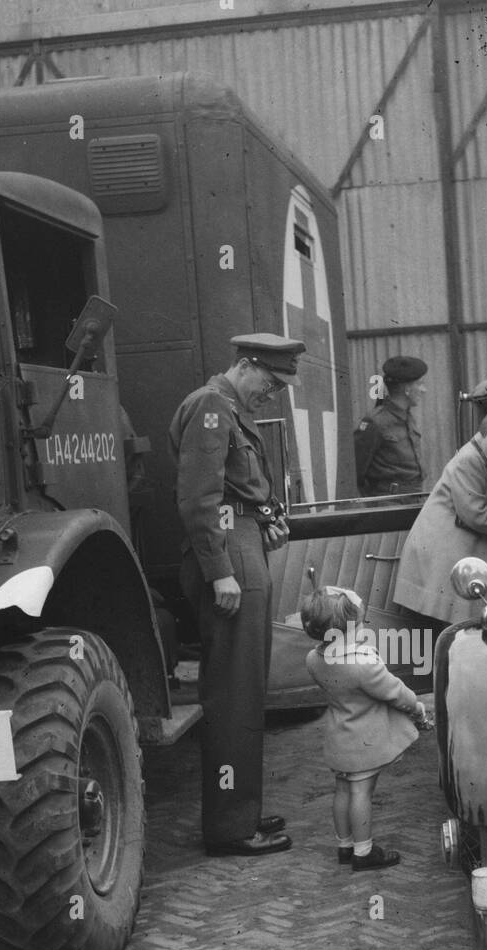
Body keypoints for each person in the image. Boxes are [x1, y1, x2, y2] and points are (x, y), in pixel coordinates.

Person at [171, 332, 304, 856]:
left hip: (241, 547)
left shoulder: (227, 407)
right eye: (271, 382)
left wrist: (266, 516)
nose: (273, 393)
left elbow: (239, 487)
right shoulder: (211, 406)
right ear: (245, 366)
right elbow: (198, 497)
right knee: (233, 697)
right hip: (228, 557)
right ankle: (230, 826)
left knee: (246, 692)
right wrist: (219, 570)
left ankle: (240, 808)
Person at [301, 586, 430, 871]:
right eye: (359, 624)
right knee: (362, 793)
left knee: (342, 791)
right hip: (365, 744)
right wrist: (417, 707)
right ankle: (364, 852)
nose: (363, 628)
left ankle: (344, 845)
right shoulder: (364, 664)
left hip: (338, 738)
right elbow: (396, 692)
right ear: (344, 631)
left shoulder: (315, 659)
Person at [392, 401, 487, 631]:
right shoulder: (470, 460)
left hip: (443, 553)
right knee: (443, 631)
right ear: (484, 430)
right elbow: (475, 515)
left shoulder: (480, 457)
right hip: (441, 554)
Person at [353, 356, 427, 496]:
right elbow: (356, 471)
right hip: (389, 504)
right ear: (407, 388)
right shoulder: (375, 422)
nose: (424, 390)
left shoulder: (408, 417)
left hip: (414, 498)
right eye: (420, 384)